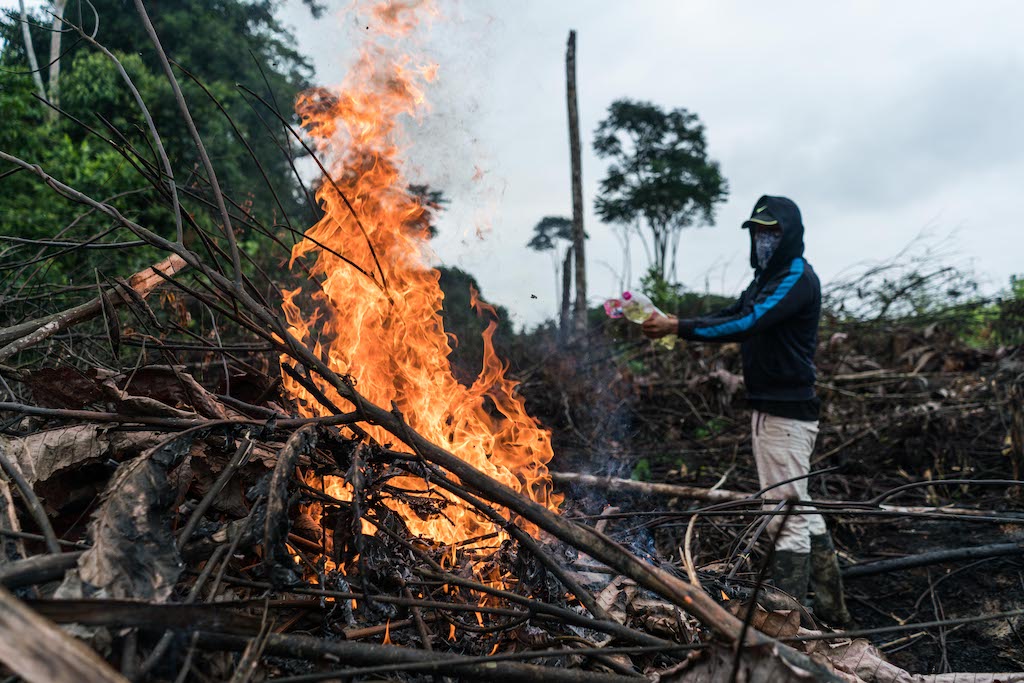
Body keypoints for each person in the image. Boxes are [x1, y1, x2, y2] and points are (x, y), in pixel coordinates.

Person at [642, 195, 849, 624]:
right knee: (800, 507)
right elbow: (735, 311)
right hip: (773, 410)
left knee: (783, 515)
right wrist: (678, 320)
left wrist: (678, 327)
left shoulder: (795, 278)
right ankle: (833, 612)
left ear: (788, 235)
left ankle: (786, 627)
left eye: (771, 232)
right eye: (757, 232)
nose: (763, 240)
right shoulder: (766, 281)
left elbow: (748, 322)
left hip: (786, 414)